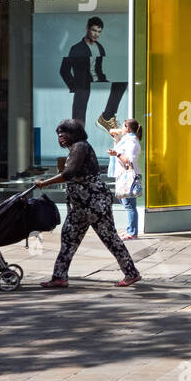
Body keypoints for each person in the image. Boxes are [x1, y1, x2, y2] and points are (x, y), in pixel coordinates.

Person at [35, 119, 141, 288]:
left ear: (75, 133)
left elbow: (68, 173)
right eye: (59, 134)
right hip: (81, 206)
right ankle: (59, 277)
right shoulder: (75, 148)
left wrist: (44, 183)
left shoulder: (80, 146)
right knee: (69, 237)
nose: (61, 136)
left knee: (109, 238)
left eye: (65, 133)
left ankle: (131, 273)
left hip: (94, 203)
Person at [59, 17, 127, 134]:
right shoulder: (77, 48)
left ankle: (107, 116)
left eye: (99, 32)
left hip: (97, 78)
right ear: (88, 29)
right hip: (83, 81)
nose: (96, 34)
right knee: (80, 103)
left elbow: (100, 67)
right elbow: (64, 70)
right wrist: (73, 86)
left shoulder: (100, 47)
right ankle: (78, 136)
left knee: (122, 82)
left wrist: (105, 76)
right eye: (94, 30)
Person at [108, 118, 142, 240]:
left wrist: (115, 154)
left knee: (129, 205)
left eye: (123, 126)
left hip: (128, 176)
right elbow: (119, 151)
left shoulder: (131, 141)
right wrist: (116, 140)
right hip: (123, 175)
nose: (121, 128)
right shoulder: (126, 140)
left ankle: (132, 232)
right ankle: (130, 230)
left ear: (127, 127)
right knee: (127, 203)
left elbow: (129, 160)